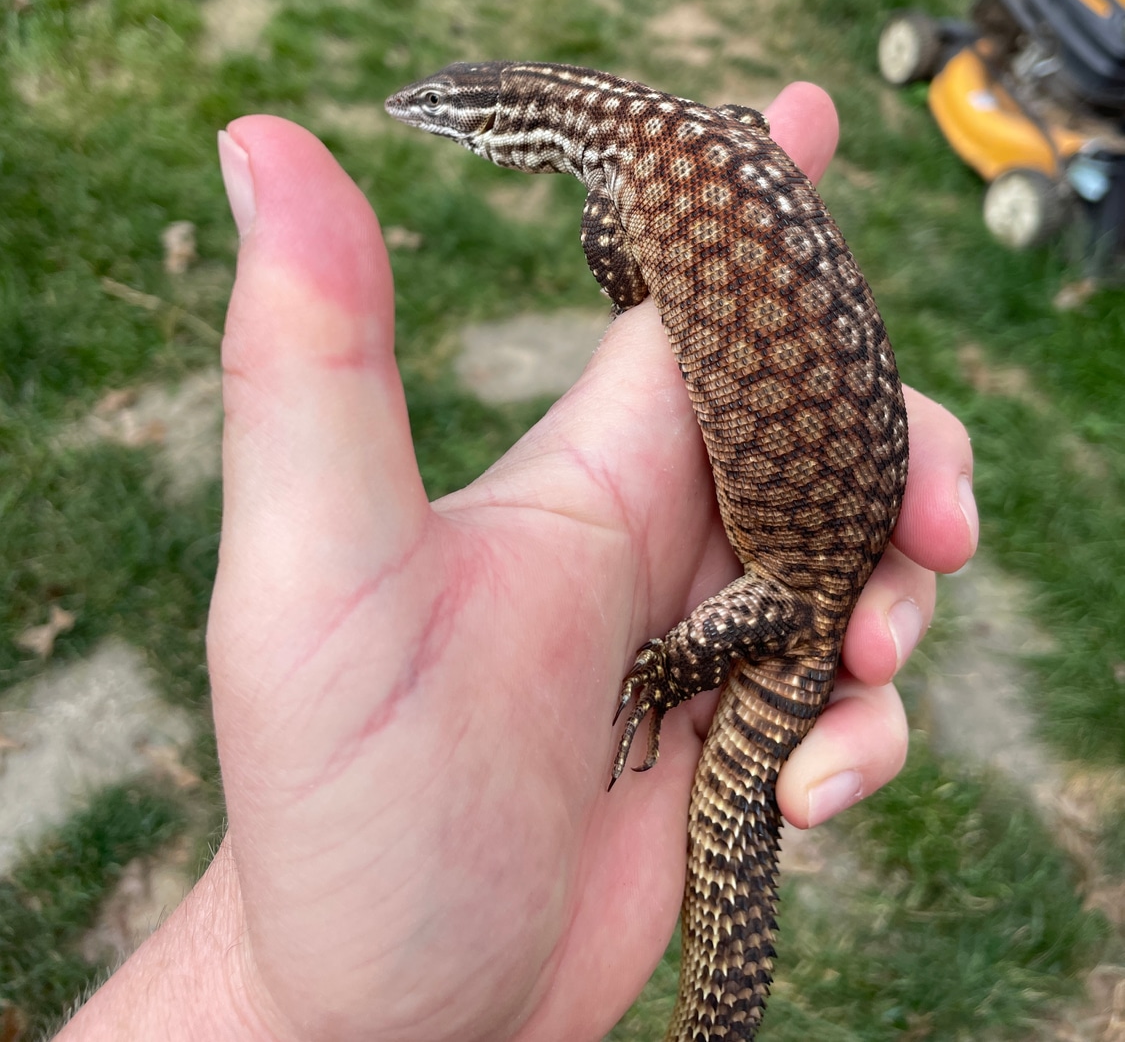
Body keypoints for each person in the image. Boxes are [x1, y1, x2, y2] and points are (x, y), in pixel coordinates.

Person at [61, 85, 977, 1042]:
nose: (443, 124)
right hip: (819, 543)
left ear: (509, 136)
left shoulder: (613, 187)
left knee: (714, 685)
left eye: (453, 119)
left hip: (791, 599)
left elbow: (618, 268)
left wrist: (661, 674)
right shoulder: (690, 136)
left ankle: (663, 674)